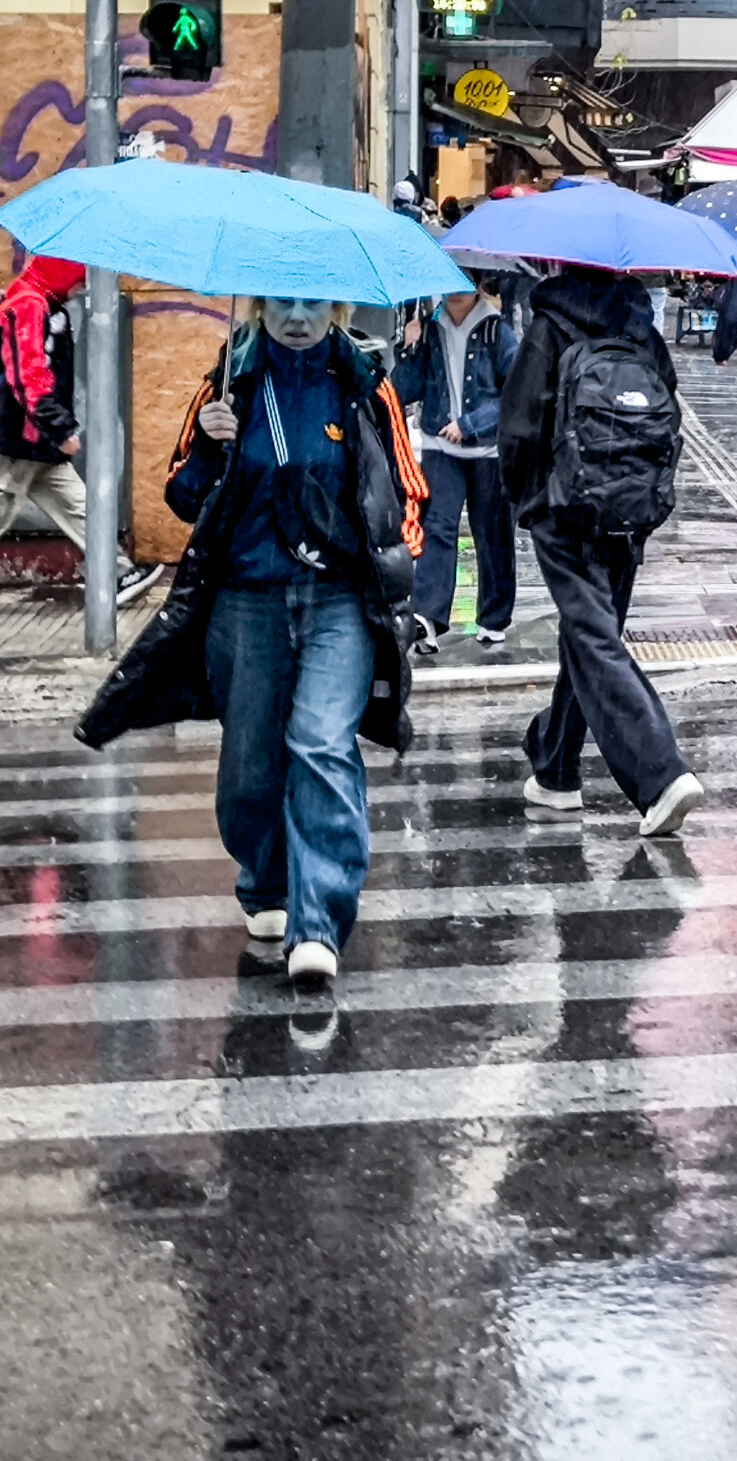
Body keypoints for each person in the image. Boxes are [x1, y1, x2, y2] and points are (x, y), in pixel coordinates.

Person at [77, 297, 428, 986]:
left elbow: (407, 494)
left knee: (323, 745)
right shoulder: (228, 381)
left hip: (337, 604)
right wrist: (209, 442)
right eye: (283, 303)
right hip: (246, 602)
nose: (297, 317)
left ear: (336, 308)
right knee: (249, 764)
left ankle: (318, 923)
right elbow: (181, 497)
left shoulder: (364, 386)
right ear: (261, 306)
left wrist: (395, 563)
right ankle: (265, 881)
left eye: (312, 304)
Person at [499, 263, 705, 836]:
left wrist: (523, 497)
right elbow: (667, 405)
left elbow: (518, 428)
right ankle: (556, 766)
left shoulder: (550, 324)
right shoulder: (640, 322)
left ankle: (660, 771)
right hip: (629, 507)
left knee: (591, 635)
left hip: (562, 504)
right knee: (592, 635)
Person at [0, 258, 159, 602]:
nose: (85, 283)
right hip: (16, 442)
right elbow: (27, 377)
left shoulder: (46, 305)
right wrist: (59, 428)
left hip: (37, 444)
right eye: (81, 274)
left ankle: (118, 573)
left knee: (83, 508)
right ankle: (117, 573)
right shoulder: (28, 303)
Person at [394, 275, 519, 654]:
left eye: (465, 281)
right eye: (448, 280)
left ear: (480, 287)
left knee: (493, 534)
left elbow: (515, 393)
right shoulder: (431, 328)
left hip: (487, 452)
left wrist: (469, 425)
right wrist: (408, 349)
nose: (455, 290)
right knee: (437, 528)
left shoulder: (498, 331)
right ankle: (428, 619)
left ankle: (494, 618)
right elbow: (404, 388)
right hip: (439, 449)